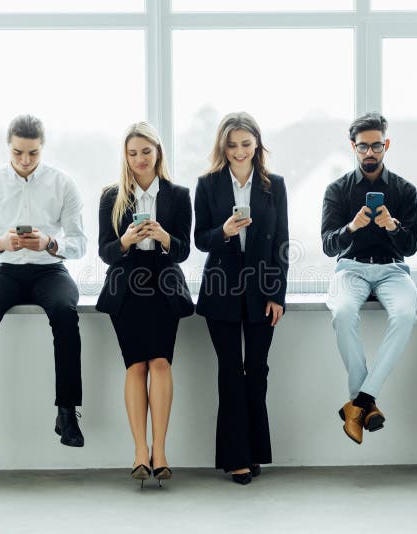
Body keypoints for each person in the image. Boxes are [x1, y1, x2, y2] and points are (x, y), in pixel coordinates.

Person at [0, 114, 87, 453]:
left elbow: (79, 243)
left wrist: (49, 242)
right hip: (5, 269)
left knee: (65, 314)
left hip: (50, 270)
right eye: (18, 152)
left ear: (42, 147)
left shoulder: (63, 184)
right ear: (8, 147)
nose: (26, 160)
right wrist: (0, 243)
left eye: (33, 153)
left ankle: (67, 413)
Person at [96, 122, 194, 486]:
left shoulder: (178, 194)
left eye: (146, 152)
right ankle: (140, 452)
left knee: (161, 362)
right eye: (133, 153)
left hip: (164, 285)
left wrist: (163, 236)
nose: (139, 159)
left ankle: (161, 452)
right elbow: (105, 252)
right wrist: (125, 241)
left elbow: (183, 251)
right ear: (125, 155)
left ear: (158, 153)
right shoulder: (111, 196)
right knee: (136, 365)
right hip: (127, 287)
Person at [194, 112, 289, 485]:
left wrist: (277, 295)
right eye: (232, 145)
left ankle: (254, 452)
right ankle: (237, 459)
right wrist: (224, 232)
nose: (238, 151)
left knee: (258, 372)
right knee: (231, 373)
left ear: (257, 144)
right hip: (221, 289)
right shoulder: (207, 184)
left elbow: (281, 243)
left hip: (262, 290)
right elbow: (200, 240)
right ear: (223, 147)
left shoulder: (274, 185)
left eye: (246, 144)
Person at [321, 112, 417, 445]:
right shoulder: (337, 190)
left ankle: (359, 402)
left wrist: (392, 226)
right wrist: (352, 227)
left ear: (386, 145)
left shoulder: (405, 190)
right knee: (343, 312)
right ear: (353, 147)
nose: (369, 153)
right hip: (351, 267)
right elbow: (328, 245)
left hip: (393, 269)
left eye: (376, 145)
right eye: (363, 146)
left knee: (405, 314)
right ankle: (367, 404)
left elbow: (412, 246)